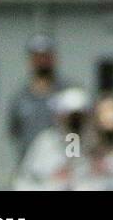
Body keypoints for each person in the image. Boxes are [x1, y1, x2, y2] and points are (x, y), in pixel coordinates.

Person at [6, 34, 71, 164]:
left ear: (54, 58)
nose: (42, 61)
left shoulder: (69, 93)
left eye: (46, 56)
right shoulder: (20, 98)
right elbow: (14, 131)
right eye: (37, 56)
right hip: (28, 166)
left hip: (62, 167)